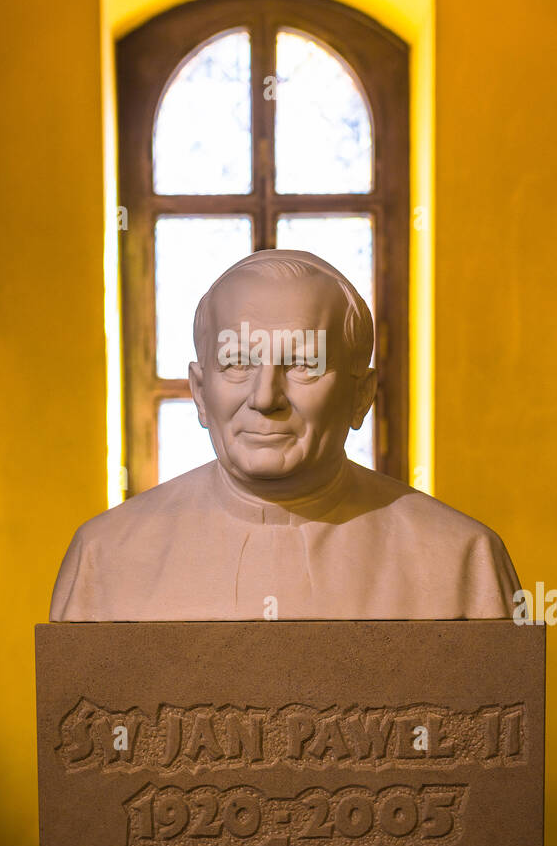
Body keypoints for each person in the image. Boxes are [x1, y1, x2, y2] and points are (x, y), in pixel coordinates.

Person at [50, 250, 519, 620]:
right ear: (198, 391)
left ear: (361, 396)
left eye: (303, 364)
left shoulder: (461, 562)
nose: (264, 396)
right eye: (237, 362)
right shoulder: (105, 558)